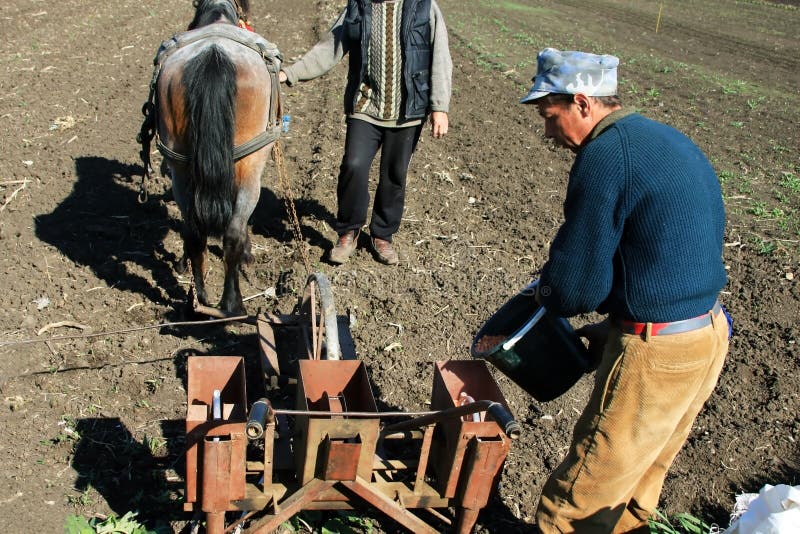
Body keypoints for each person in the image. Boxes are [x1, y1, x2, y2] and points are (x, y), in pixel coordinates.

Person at [521, 48, 731, 533]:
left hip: (657, 356)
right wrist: (614, 324)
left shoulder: (605, 155)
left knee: (575, 503)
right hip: (705, 334)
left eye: (550, 118)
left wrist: (545, 298)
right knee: (636, 489)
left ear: (581, 102)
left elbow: (576, 284)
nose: (548, 134)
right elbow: (663, 254)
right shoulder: (663, 139)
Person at [279, 0, 452, 265]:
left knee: (394, 175)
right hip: (365, 106)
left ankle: (382, 235)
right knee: (354, 165)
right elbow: (330, 48)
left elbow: (440, 56)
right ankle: (348, 232)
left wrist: (439, 107)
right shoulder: (359, 7)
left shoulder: (423, 7)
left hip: (407, 111)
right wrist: (289, 73)